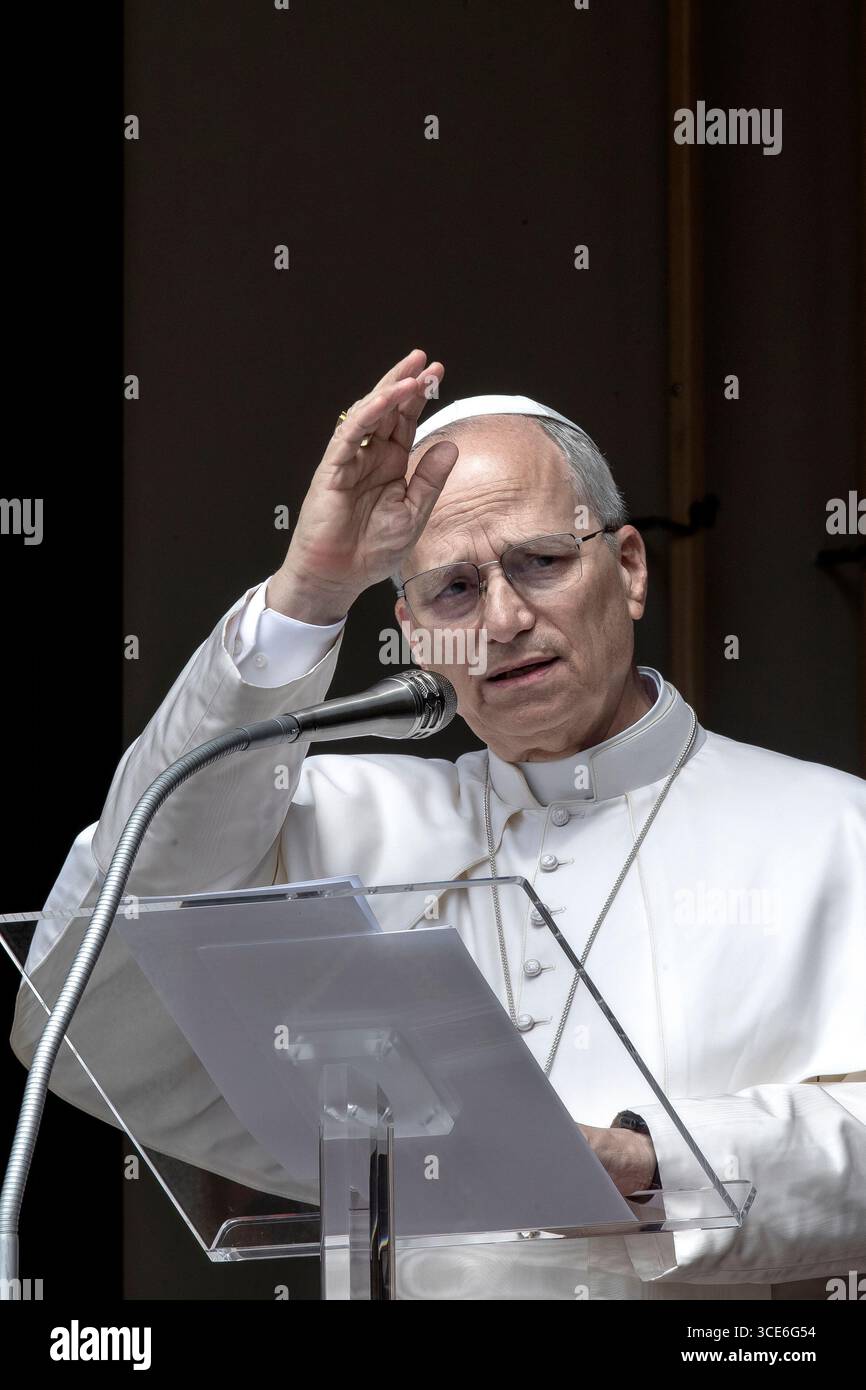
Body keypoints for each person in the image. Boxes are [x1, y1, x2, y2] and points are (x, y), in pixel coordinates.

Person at [11, 349, 866, 1300]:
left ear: (627, 569)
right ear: (415, 634)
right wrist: (310, 594)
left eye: (540, 563)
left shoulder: (834, 829)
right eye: (453, 590)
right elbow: (103, 973)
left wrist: (656, 1166)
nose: (501, 620)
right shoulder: (336, 819)